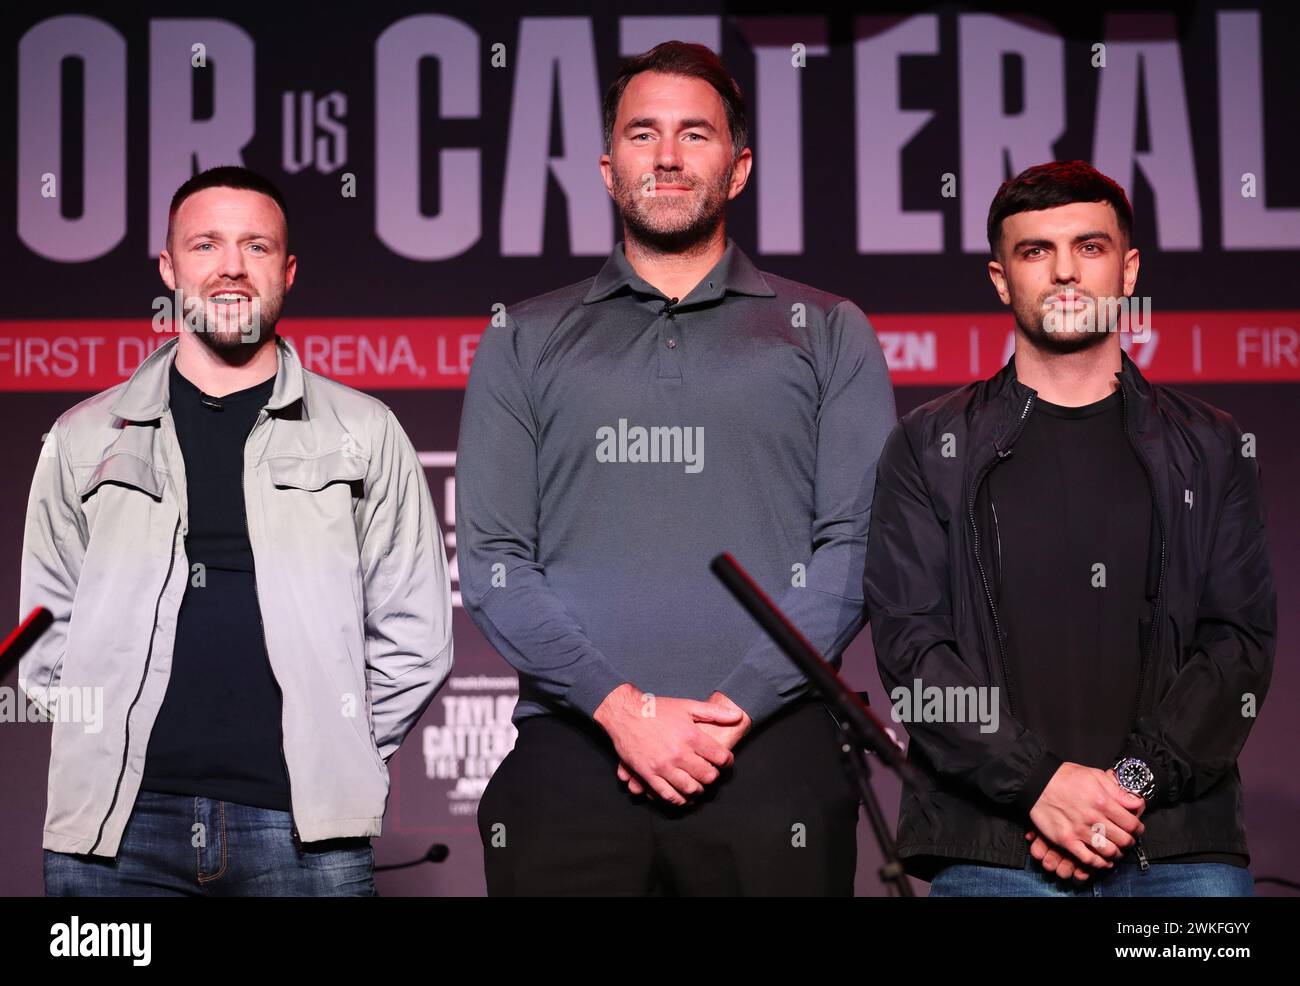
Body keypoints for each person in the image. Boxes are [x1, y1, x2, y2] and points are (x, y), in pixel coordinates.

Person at [456, 41, 897, 896]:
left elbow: (856, 551)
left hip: (775, 756)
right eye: (642, 133)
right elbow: (496, 563)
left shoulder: (830, 331)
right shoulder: (524, 338)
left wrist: (728, 712)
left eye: (694, 135)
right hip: (575, 753)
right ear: (607, 166)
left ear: (738, 168)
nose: (665, 155)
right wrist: (622, 710)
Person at [20, 166, 454, 896]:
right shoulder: (81, 438)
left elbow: (416, 637)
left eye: (255, 247)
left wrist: (336, 749)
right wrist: (103, 745)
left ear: (286, 271)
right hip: (114, 835)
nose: (230, 267)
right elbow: (43, 637)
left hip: (305, 834)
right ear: (168, 268)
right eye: (205, 245)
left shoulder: (366, 432)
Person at [864, 160, 1275, 897]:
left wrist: (1127, 786)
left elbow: (1238, 645)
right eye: (1035, 252)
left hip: (1178, 853)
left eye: (1089, 247)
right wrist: (1039, 786)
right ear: (1000, 279)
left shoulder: (1212, 445)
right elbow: (911, 648)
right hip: (993, 853)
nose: (1064, 273)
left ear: (1129, 268)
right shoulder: (928, 444)